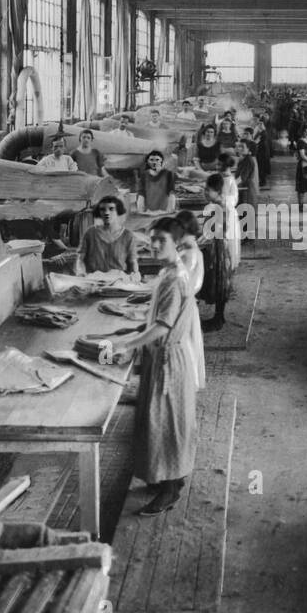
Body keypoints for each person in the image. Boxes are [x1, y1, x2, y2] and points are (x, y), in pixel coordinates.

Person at [107, 218, 201, 516]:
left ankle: (170, 489)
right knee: (159, 421)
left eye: (161, 239)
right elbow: (157, 317)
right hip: (161, 357)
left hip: (168, 359)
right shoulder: (168, 272)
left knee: (167, 422)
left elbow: (162, 326)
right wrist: (134, 332)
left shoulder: (175, 278)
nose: (154, 244)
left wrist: (128, 344)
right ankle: (166, 479)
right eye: (152, 239)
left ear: (177, 243)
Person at [173, 210, 207, 390]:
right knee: (187, 345)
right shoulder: (187, 249)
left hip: (183, 306)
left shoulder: (189, 253)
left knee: (184, 347)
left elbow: (183, 285)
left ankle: (184, 386)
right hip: (186, 304)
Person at [199, 173, 233, 332]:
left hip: (217, 249)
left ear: (218, 192)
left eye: (208, 190)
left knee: (218, 280)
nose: (205, 192)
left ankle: (219, 318)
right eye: (205, 189)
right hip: (216, 246)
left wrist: (196, 243)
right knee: (217, 280)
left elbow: (212, 233)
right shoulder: (216, 205)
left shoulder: (219, 208)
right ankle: (218, 317)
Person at [75, 195, 139, 277]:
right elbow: (80, 259)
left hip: (118, 283)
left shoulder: (128, 236)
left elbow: (133, 262)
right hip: (94, 282)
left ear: (118, 211)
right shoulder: (90, 233)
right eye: (102, 209)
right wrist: (81, 272)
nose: (106, 213)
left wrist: (135, 274)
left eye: (111, 209)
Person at [217, 153, 242, 269]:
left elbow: (233, 200)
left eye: (219, 164)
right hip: (218, 213)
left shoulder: (230, 180)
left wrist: (219, 199)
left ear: (226, 165)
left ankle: (228, 266)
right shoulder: (220, 177)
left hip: (228, 215)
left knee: (228, 241)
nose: (217, 166)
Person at [235, 138, 261, 211]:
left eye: (242, 147)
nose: (239, 148)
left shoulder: (248, 160)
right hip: (243, 191)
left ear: (249, 150)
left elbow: (241, 178)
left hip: (247, 193)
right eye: (239, 146)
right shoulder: (243, 159)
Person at [252, 117, 272, 187]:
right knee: (261, 167)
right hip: (262, 151)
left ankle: (263, 181)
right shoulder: (261, 131)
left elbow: (256, 141)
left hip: (262, 152)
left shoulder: (262, 132)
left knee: (262, 167)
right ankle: (262, 180)